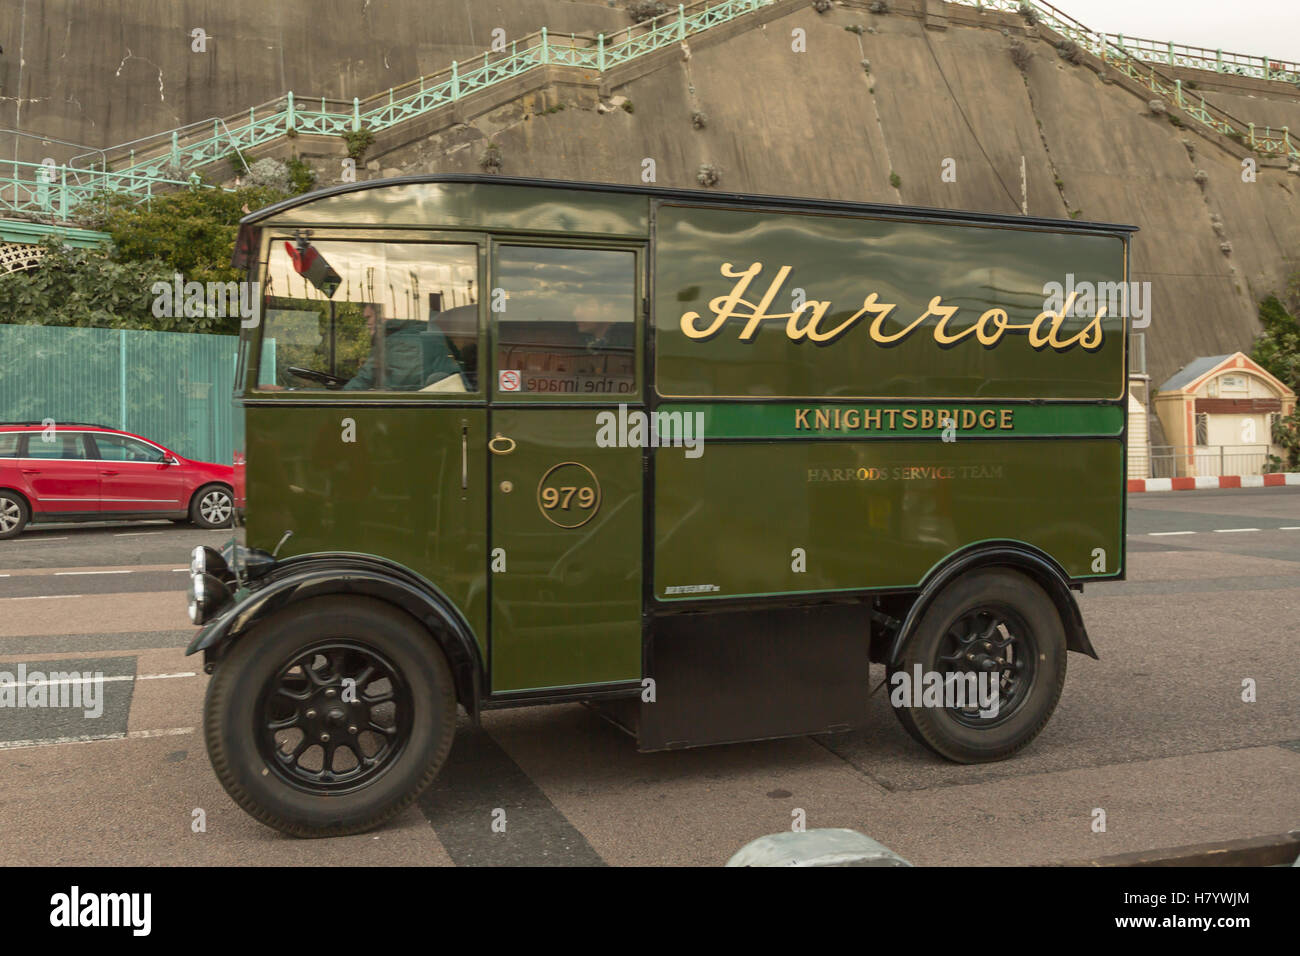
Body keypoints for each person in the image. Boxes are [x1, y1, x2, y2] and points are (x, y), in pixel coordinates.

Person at [343, 303, 463, 391]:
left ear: (384, 315)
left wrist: (340, 397)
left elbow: (364, 380)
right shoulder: (434, 336)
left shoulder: (388, 344)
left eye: (369, 317)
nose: (368, 323)